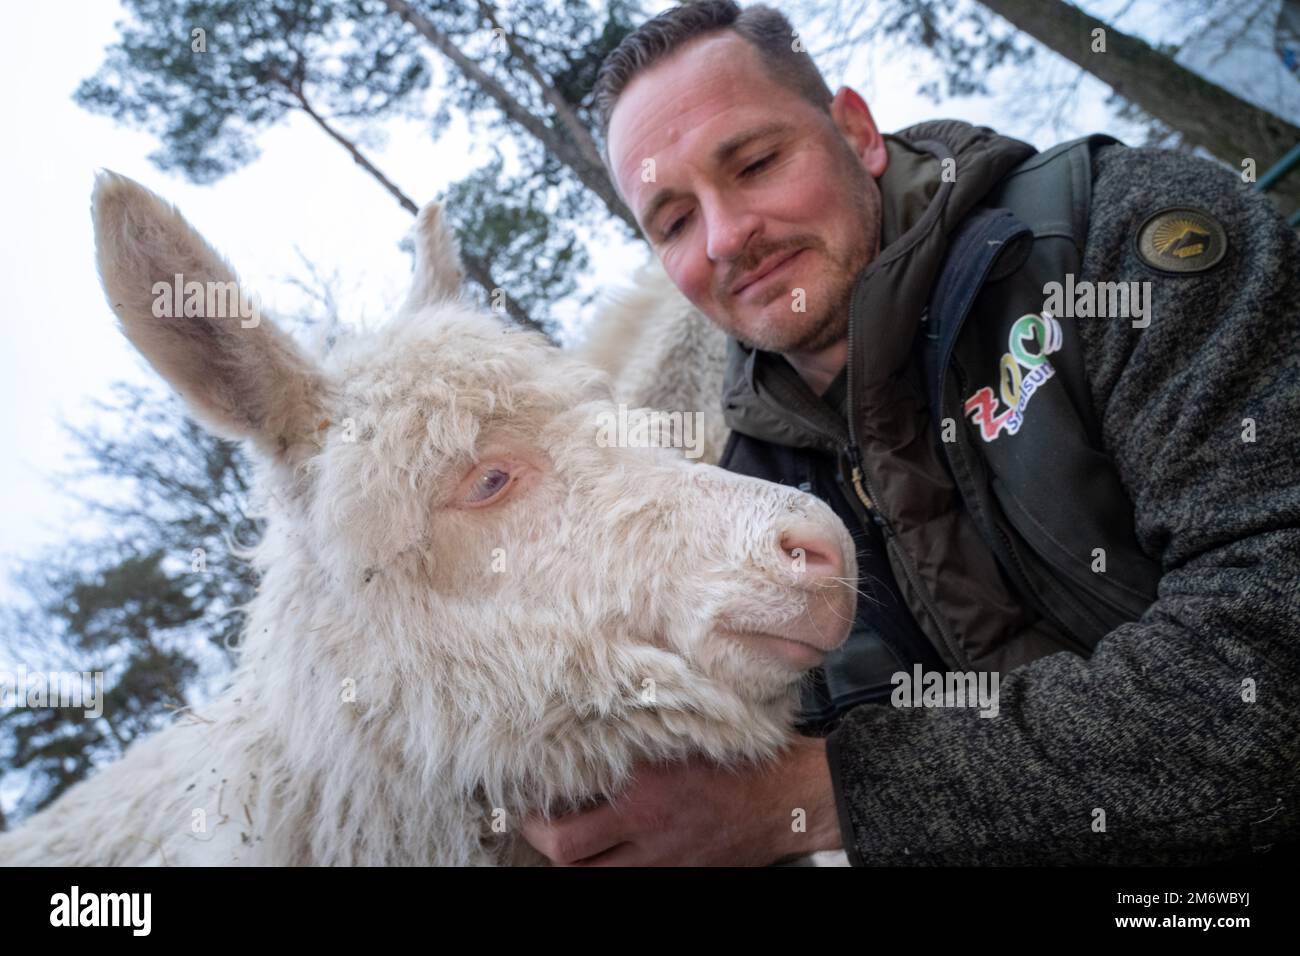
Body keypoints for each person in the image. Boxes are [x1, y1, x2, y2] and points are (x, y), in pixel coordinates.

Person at [520, 0, 1300, 865]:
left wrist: (817, 795)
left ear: (856, 133)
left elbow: (1265, 663)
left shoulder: (1110, 244)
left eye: (756, 162)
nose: (727, 236)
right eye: (673, 221)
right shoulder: (745, 485)